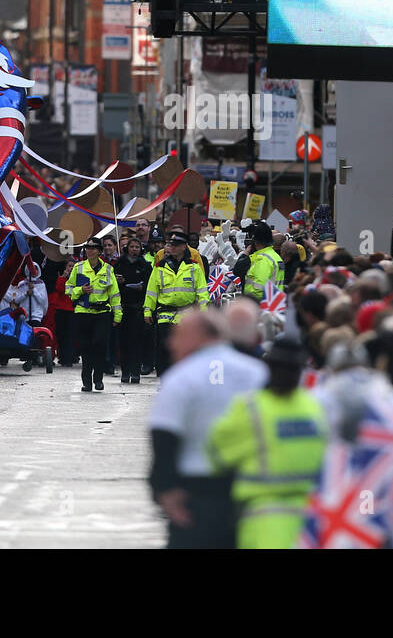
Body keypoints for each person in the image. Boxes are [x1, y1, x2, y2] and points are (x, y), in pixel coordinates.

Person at [147, 308, 268, 548]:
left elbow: (163, 436)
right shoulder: (258, 373)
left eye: (177, 335)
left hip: (197, 493)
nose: (170, 343)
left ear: (198, 335)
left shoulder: (182, 377)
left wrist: (163, 489)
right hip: (252, 488)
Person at [207, 333, 327, 548]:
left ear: (268, 367)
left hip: (262, 518)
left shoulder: (249, 407)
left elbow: (217, 454)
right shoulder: (316, 407)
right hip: (312, 521)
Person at [144, 233, 207, 378]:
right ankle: (164, 379)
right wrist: (148, 311)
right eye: (171, 244)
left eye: (176, 245)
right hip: (165, 315)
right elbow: (152, 291)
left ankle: (182, 379)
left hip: (186, 315)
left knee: (185, 350)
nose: (172, 247)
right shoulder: (160, 267)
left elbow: (202, 292)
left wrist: (203, 312)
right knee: (164, 349)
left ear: (184, 247)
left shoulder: (194, 267)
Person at [68, 237, 121, 392]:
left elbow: (114, 294)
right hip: (83, 312)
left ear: (99, 250)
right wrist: (80, 290)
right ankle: (86, 381)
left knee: (99, 345)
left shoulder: (108, 269)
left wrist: (118, 315)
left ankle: (98, 378)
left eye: (93, 247)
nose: (89, 250)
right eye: (87, 247)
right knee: (85, 347)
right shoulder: (78, 268)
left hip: (102, 313)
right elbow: (68, 289)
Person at [114, 236, 151, 383]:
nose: (134, 249)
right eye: (132, 247)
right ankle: (125, 372)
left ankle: (135, 372)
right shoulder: (119, 264)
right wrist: (119, 283)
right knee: (124, 342)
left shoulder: (145, 265)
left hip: (138, 308)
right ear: (127, 248)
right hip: (123, 307)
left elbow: (149, 285)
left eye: (137, 247)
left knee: (137, 342)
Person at [234, 221, 282, 304]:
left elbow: (258, 289)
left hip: (259, 305)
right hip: (273, 303)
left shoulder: (262, 259)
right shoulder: (274, 256)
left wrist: (248, 303)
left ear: (255, 241)